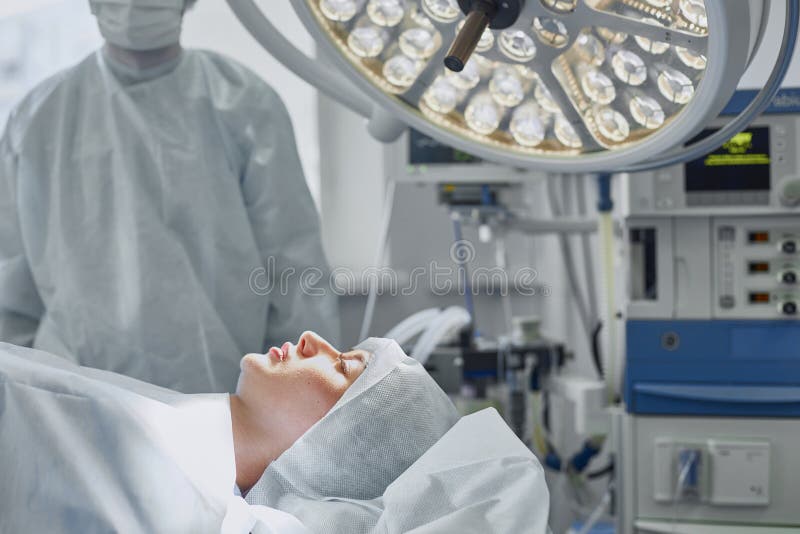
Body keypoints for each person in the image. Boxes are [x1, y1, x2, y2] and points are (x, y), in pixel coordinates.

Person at [0, 0, 339, 394]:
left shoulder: (243, 104)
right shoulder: (38, 119)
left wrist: (302, 390)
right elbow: (10, 286)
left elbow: (293, 270)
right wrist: (29, 401)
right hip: (76, 400)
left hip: (222, 396)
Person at [0, 331, 551, 534]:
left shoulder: (168, 489)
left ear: (341, 446)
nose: (313, 340)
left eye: (345, 367)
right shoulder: (177, 441)